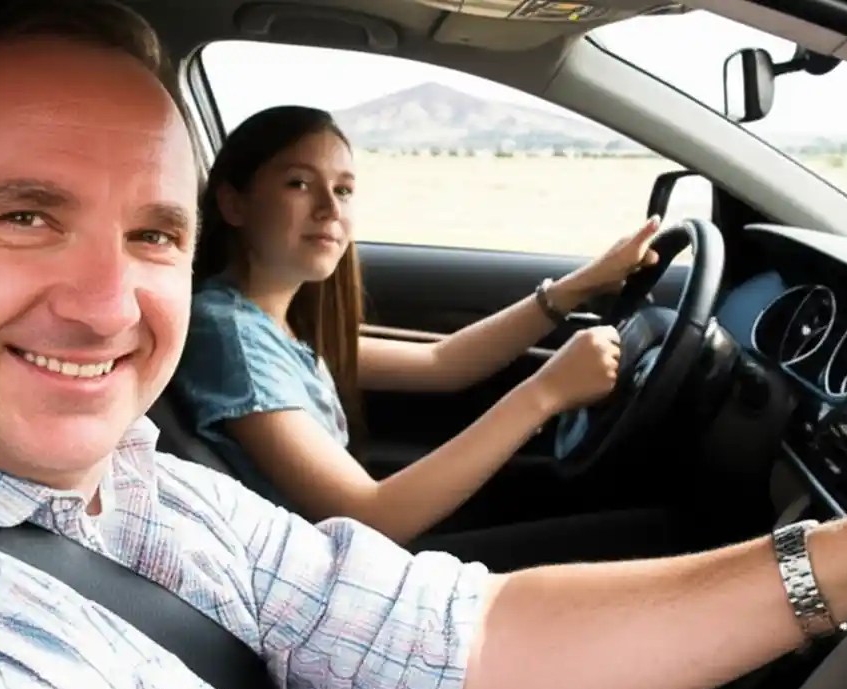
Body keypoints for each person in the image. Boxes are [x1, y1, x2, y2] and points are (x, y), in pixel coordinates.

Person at [0, 1, 847, 689]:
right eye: (27, 215)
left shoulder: (126, 475)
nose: (108, 305)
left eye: (152, 233)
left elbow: (443, 631)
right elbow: (377, 517)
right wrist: (549, 385)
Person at [171, 104, 672, 559]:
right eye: (299, 184)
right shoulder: (231, 336)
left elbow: (445, 364)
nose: (330, 208)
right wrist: (546, 393)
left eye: (343, 190)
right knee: (653, 538)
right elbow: (369, 516)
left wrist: (578, 287)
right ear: (234, 204)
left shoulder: (271, 324)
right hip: (338, 584)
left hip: (350, 565)